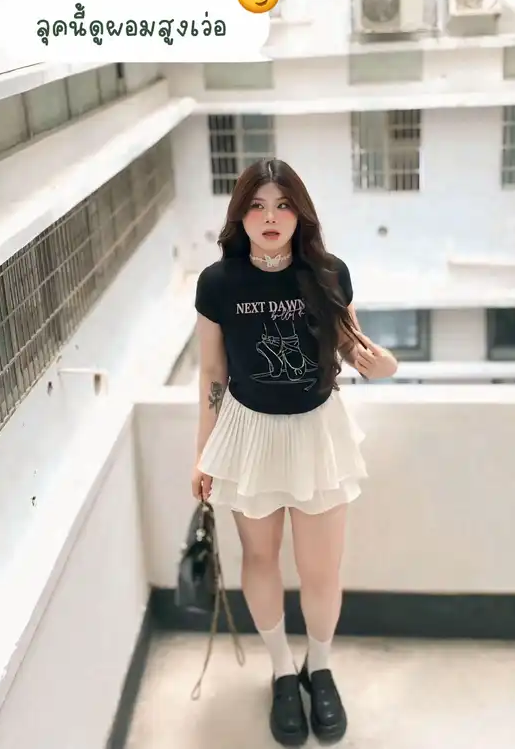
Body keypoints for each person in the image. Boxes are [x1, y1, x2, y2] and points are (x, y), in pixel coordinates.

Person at [191, 158, 398, 746]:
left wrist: (380, 362)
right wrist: (203, 454)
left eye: (282, 205)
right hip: (248, 435)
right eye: (257, 205)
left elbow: (354, 346)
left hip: (318, 434)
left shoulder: (328, 273)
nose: (270, 217)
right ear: (240, 216)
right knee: (260, 561)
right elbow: (212, 372)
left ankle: (320, 668)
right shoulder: (219, 283)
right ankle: (283, 670)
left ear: (300, 212)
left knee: (321, 568)